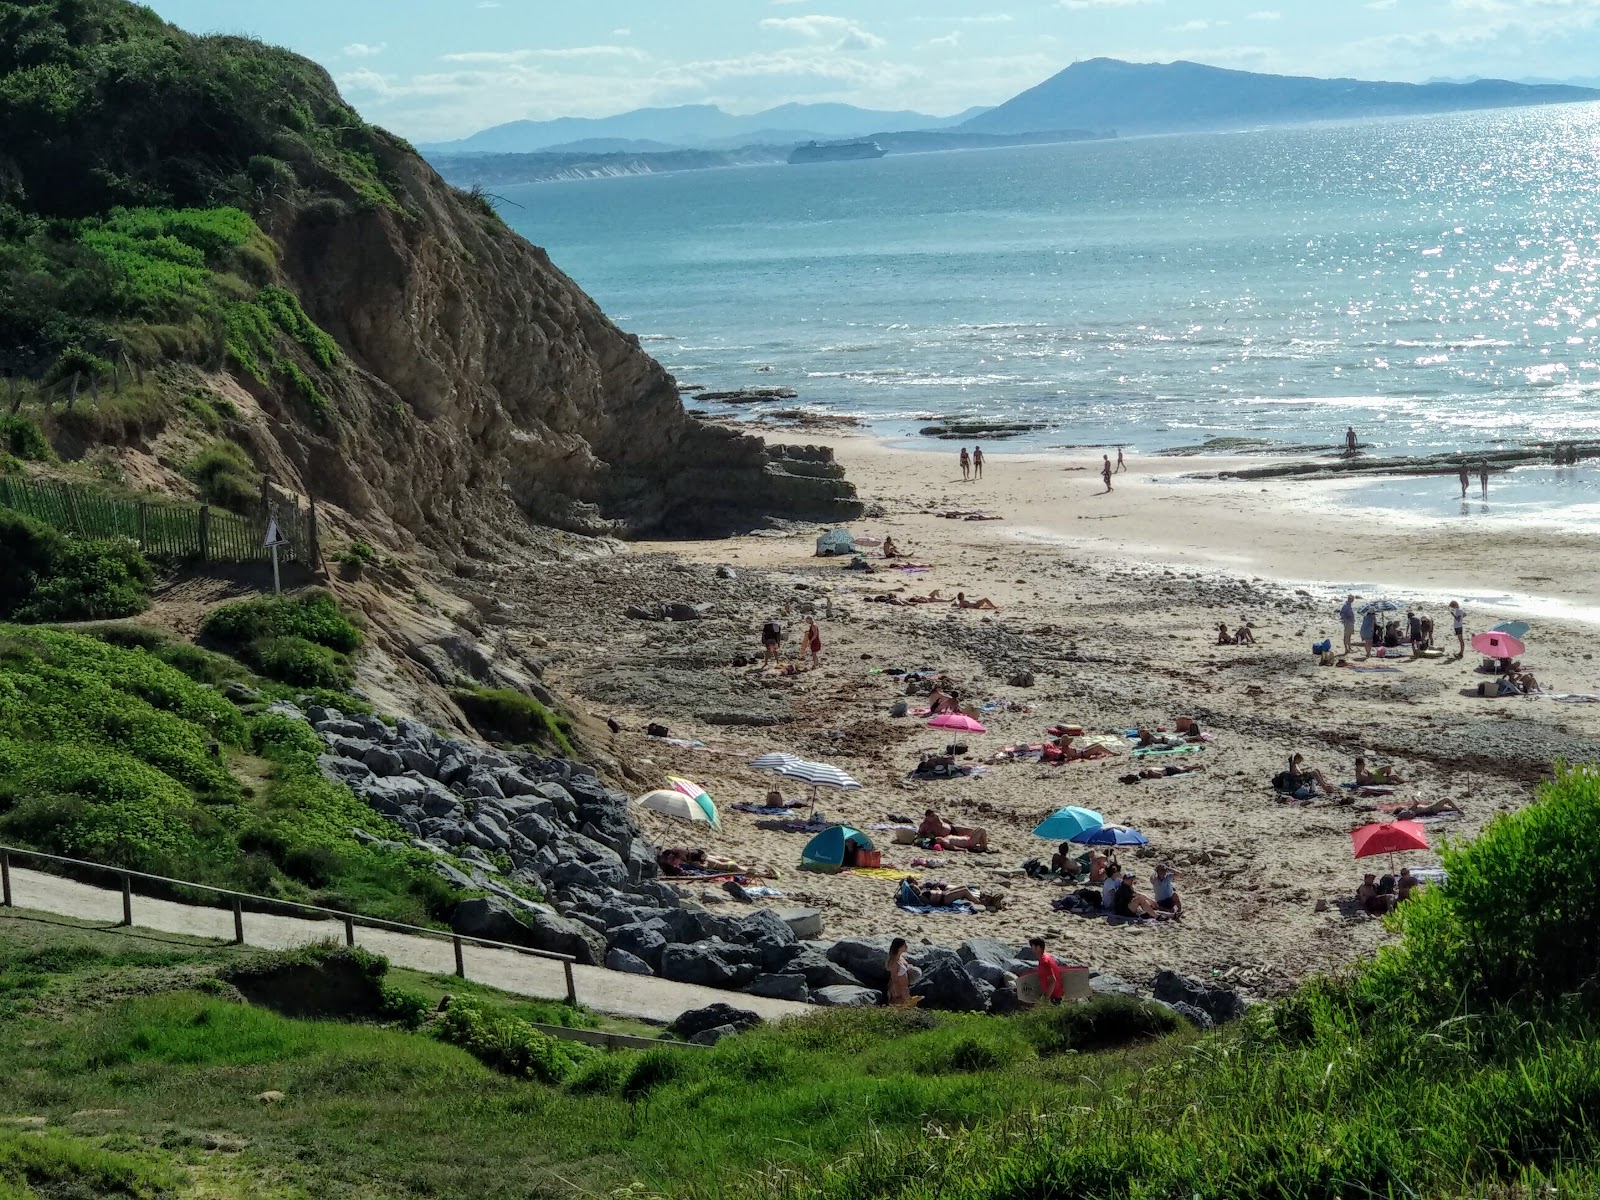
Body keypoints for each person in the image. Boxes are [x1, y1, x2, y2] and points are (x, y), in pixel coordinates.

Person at [919, 809, 990, 851]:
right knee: (980, 831)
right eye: (931, 816)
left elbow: (943, 820)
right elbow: (920, 834)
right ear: (927, 817)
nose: (934, 817)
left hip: (952, 829)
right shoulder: (925, 825)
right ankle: (984, 846)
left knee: (971, 830)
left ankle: (983, 843)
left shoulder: (936, 817)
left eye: (933, 815)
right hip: (963, 840)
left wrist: (952, 823)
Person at [1026, 936, 1065, 1006]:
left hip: (1054, 997)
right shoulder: (1046, 956)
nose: (1031, 949)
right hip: (1056, 994)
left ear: (1038, 947)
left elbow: (1053, 980)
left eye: (1032, 946)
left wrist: (1046, 997)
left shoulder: (1044, 962)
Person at [885, 937, 921, 1006]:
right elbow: (894, 979)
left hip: (905, 989)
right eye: (904, 945)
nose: (906, 947)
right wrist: (896, 993)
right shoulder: (894, 962)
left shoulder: (901, 958)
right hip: (899, 990)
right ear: (899, 947)